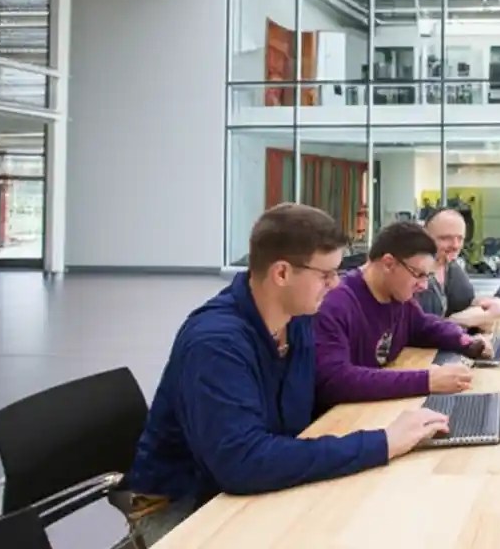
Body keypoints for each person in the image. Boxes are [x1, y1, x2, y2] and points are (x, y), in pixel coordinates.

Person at [124, 204, 450, 546]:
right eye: (325, 275)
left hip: (247, 484)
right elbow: (242, 463)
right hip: (186, 507)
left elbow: (313, 402)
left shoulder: (298, 320)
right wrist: (381, 442)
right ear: (281, 273)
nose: (335, 284)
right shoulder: (216, 343)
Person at [313, 221, 494, 413]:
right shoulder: (334, 304)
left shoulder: (399, 297)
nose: (424, 286)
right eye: (419, 275)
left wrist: (465, 342)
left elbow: (424, 326)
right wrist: (427, 380)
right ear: (389, 264)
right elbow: (336, 381)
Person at [416, 208, 500, 329]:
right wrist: (456, 321)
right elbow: (416, 331)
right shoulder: (412, 276)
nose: (455, 245)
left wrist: (482, 306)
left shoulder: (451, 267)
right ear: (425, 236)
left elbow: (465, 302)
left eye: (460, 238)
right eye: (446, 238)